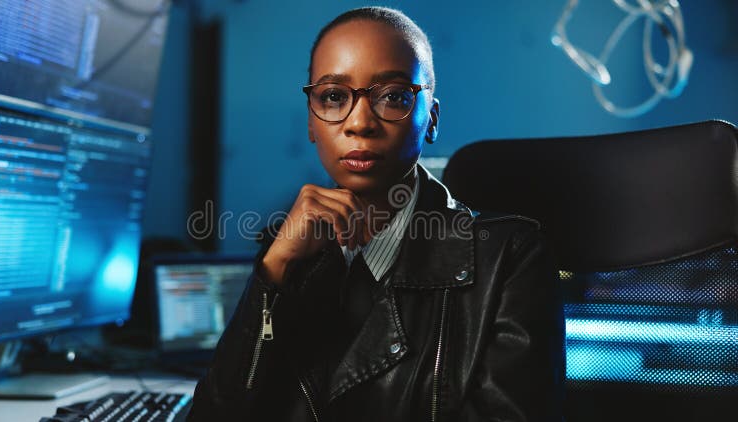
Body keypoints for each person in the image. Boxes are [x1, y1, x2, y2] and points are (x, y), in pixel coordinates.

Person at [187, 6, 565, 421]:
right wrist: (273, 273)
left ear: (431, 119)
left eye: (394, 97)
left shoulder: (509, 258)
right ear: (312, 122)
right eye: (333, 97)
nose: (360, 123)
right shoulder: (287, 248)